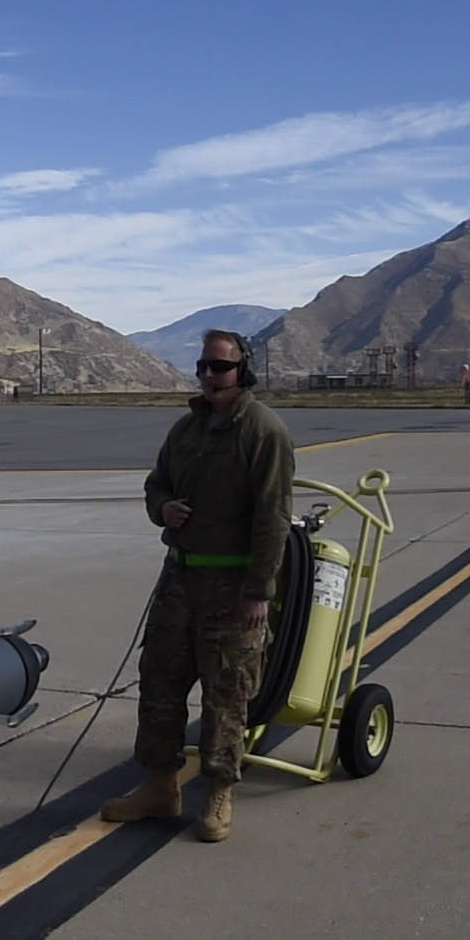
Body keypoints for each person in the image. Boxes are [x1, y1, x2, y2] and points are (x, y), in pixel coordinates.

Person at [102, 328, 295, 842]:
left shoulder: (263, 431)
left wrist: (260, 590)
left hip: (233, 587)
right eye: (205, 367)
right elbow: (156, 483)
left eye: (222, 367)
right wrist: (162, 508)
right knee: (160, 682)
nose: (211, 376)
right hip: (180, 577)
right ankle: (160, 787)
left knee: (227, 692)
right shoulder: (186, 430)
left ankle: (218, 792)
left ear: (243, 370)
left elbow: (273, 518)